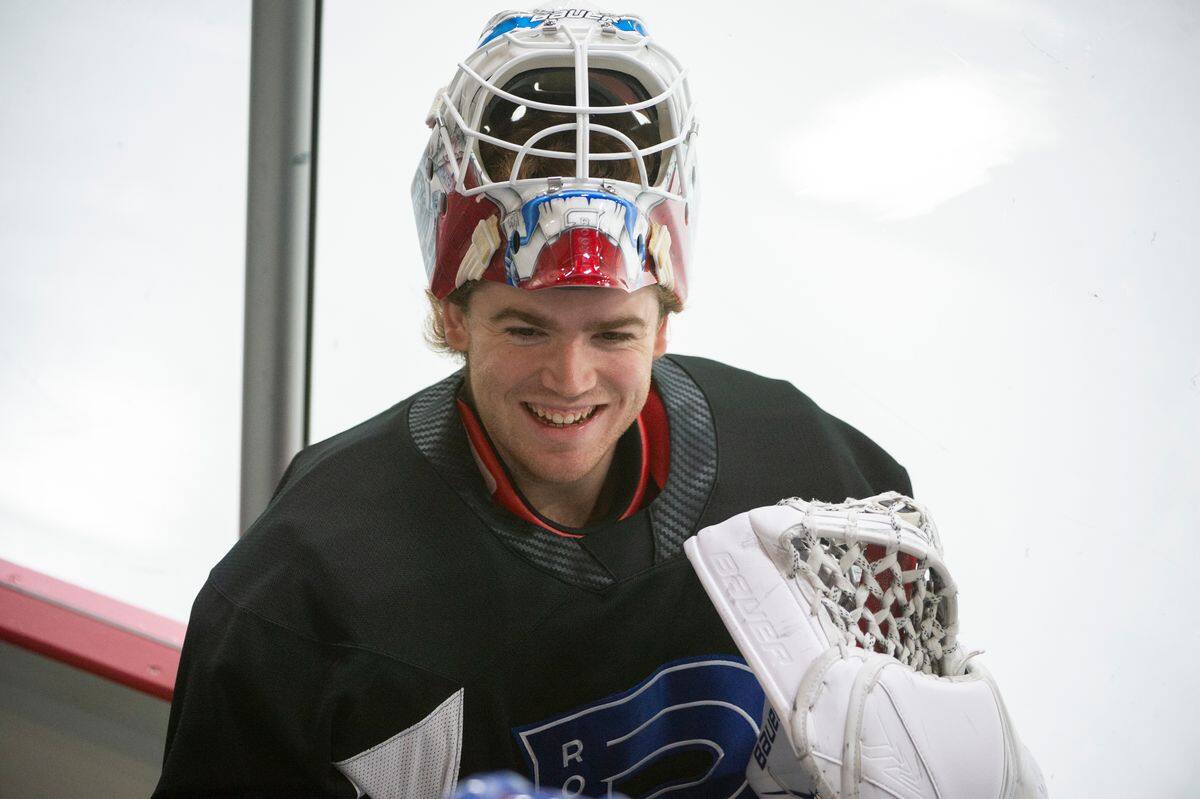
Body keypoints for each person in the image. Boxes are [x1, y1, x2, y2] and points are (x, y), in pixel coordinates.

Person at [153, 9, 917, 798]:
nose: (570, 377)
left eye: (613, 333)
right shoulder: (301, 596)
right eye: (525, 326)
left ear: (662, 322)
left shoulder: (821, 488)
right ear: (454, 313)